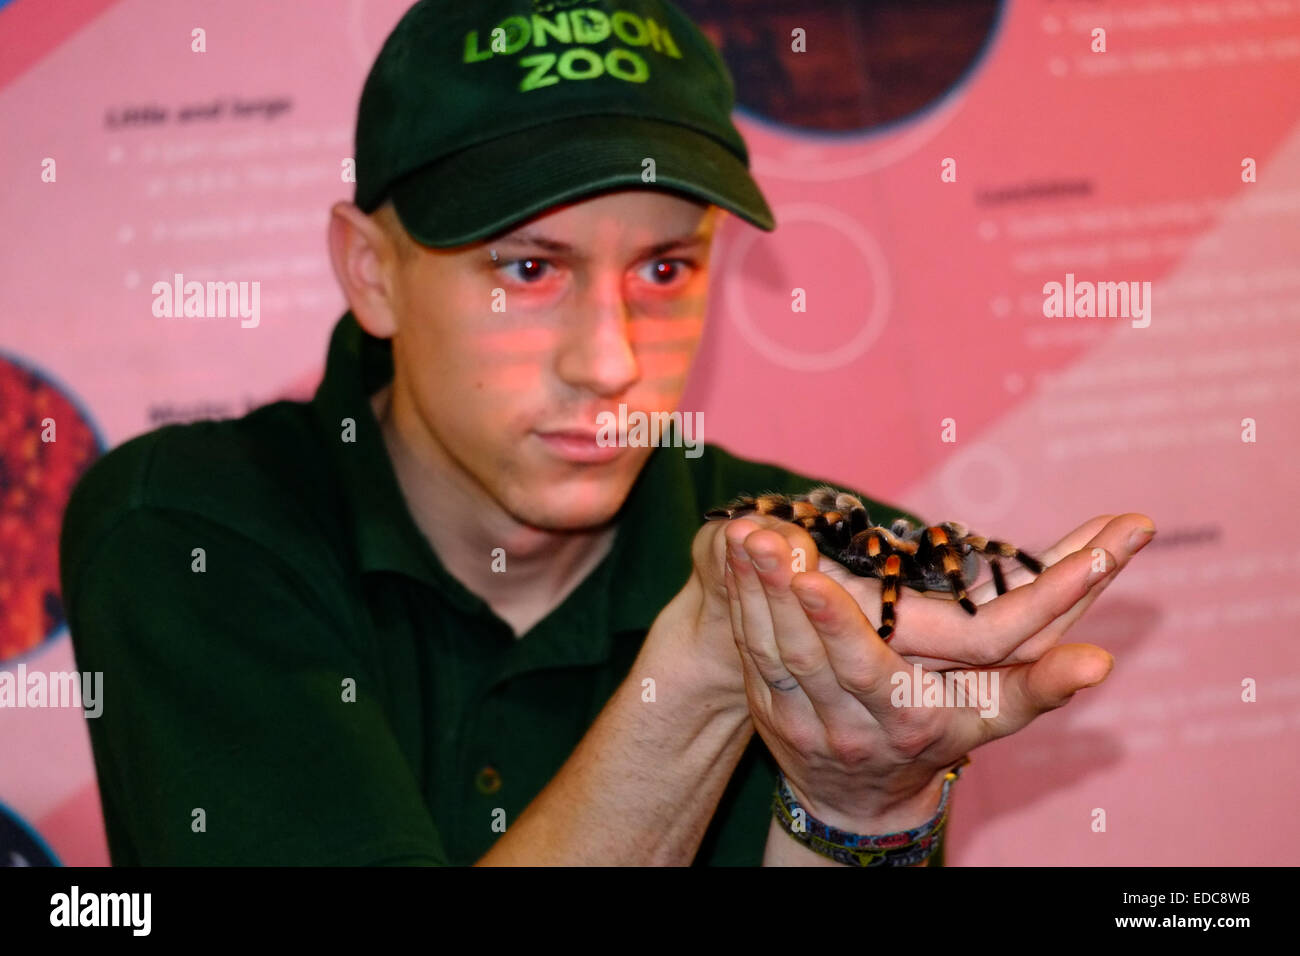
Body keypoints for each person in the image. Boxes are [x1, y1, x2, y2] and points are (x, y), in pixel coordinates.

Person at [59, 0, 1155, 866]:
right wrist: (699, 674)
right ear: (371, 272)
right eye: (528, 269)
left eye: (665, 269)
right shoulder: (191, 530)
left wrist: (861, 809)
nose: (614, 360)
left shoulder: (829, 569)